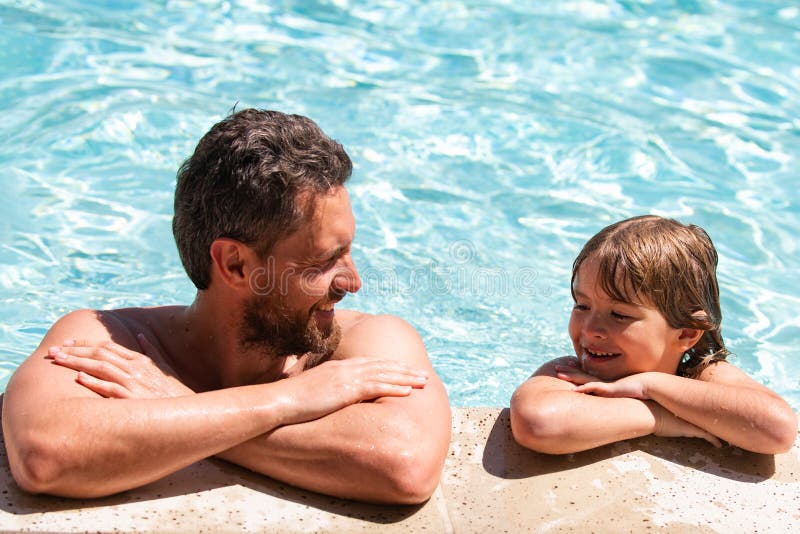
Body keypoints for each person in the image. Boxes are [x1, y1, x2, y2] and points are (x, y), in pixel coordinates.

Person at [1, 109, 451, 503]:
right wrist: (289, 400)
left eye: (348, 251)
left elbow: (405, 466)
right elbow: (47, 454)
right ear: (235, 264)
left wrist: (177, 408)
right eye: (324, 260)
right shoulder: (108, 341)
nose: (352, 282)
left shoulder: (368, 342)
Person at [510, 215, 797, 455]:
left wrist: (650, 385)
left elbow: (778, 431)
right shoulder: (570, 374)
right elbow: (538, 424)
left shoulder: (702, 375)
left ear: (685, 333)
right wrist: (658, 417)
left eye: (619, 315)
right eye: (582, 306)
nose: (590, 330)